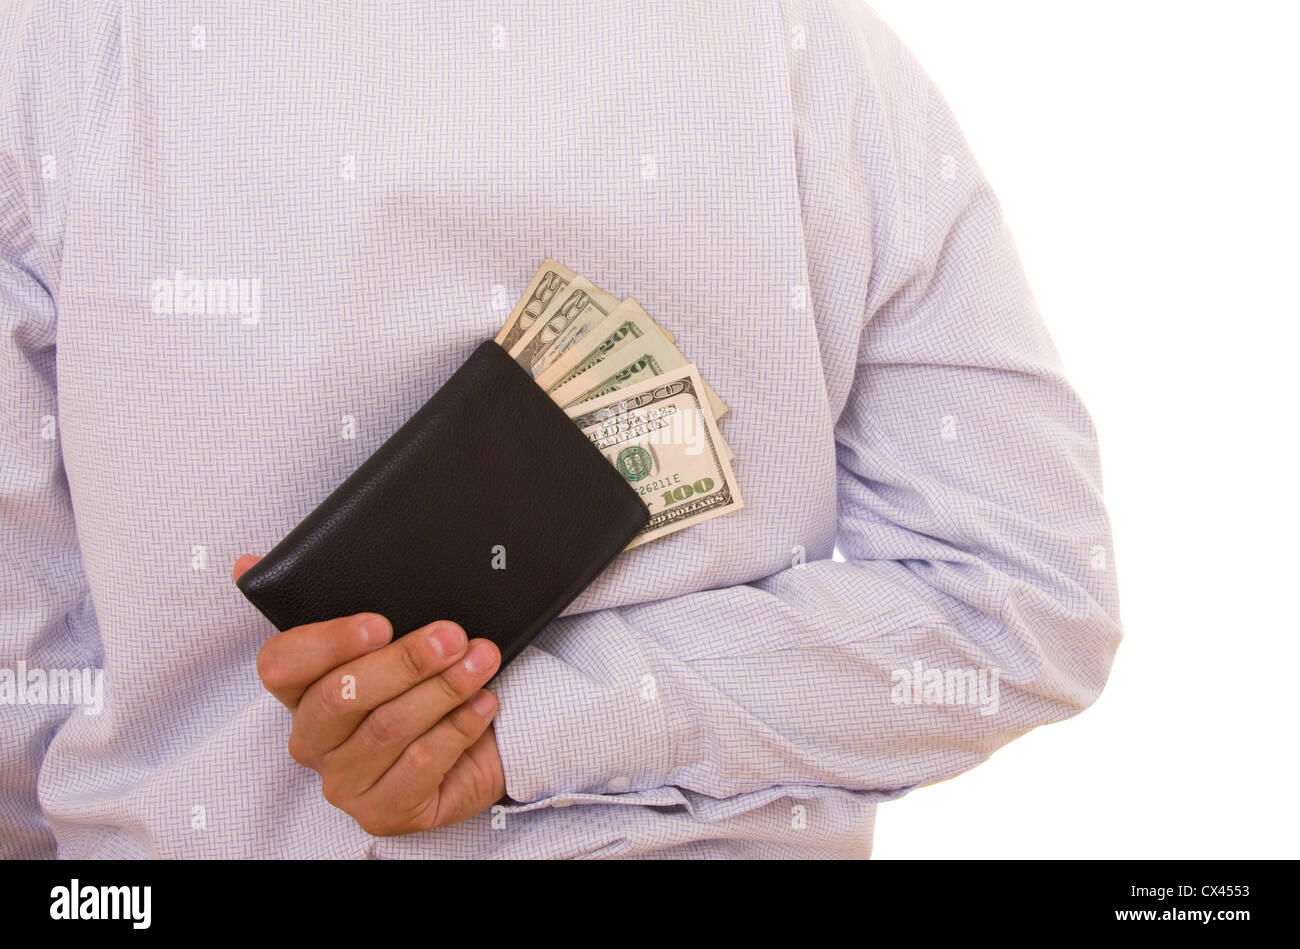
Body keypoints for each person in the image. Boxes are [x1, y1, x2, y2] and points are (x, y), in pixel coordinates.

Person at [0, 0, 1121, 859]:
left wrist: (506, 729)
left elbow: (20, 686)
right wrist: (556, 719)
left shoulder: (53, 57)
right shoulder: (811, 57)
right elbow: (1022, 596)